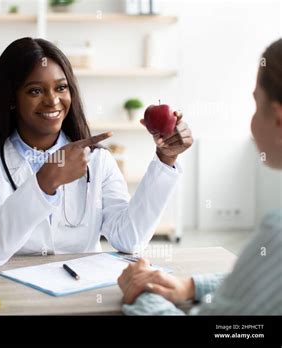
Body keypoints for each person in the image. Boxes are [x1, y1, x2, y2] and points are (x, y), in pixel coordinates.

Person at [0, 37, 193, 267]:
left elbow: (130, 239)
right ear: (11, 99)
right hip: (15, 297)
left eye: (61, 87)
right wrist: (44, 182)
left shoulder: (98, 160)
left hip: (80, 292)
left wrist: (166, 159)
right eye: (35, 91)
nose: (53, 100)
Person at [118, 38, 282, 315]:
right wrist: (192, 287)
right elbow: (261, 285)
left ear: (278, 119)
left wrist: (144, 293)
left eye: (255, 104)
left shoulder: (277, 236)